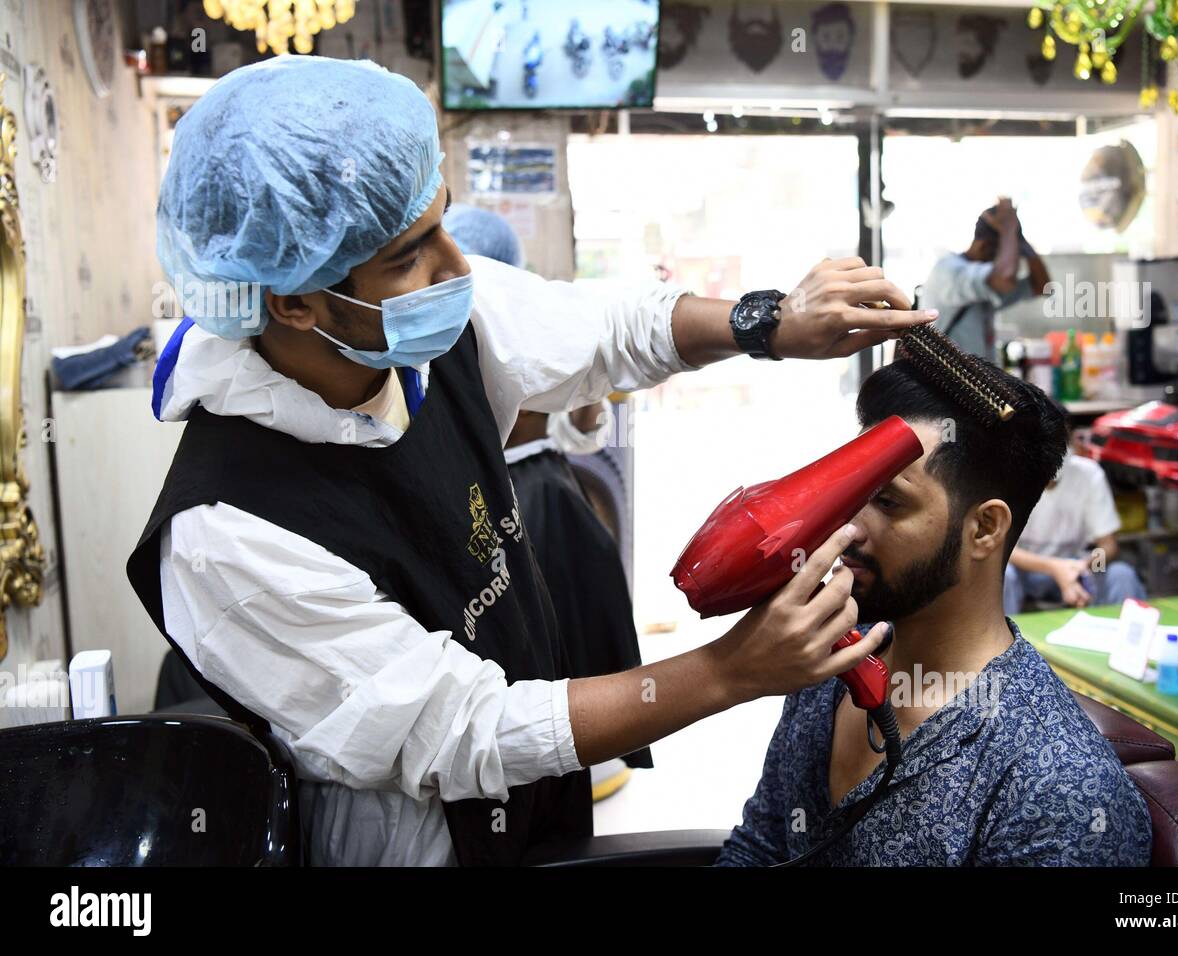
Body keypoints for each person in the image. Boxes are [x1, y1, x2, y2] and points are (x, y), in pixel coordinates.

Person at [126, 56, 934, 867]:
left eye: (444, 221)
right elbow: (464, 731)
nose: (457, 265)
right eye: (411, 253)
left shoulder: (424, 330)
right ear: (294, 302)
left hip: (544, 795)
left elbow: (605, 328)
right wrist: (729, 671)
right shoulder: (225, 533)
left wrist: (769, 324)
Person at [716, 356, 1152, 866]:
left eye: (888, 502)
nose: (846, 527)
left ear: (985, 529)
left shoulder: (1060, 792)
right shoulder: (826, 663)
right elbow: (761, 847)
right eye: (851, 490)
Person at [443, 204, 647, 797]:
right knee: (530, 637)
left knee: (558, 634)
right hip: (515, 501)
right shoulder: (447, 351)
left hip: (540, 499)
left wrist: (587, 385)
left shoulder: (521, 335)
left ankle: (585, 760)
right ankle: (551, 768)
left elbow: (581, 432)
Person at [1004, 447, 1147, 614]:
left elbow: (1107, 545)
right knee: (1003, 576)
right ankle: (1003, 639)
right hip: (1025, 570)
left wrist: (1087, 564)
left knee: (1121, 574)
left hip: (1078, 567)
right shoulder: (1009, 475)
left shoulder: (1089, 474)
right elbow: (1006, 550)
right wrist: (1055, 568)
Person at [920, 197, 1050, 362]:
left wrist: (1020, 238)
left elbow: (1043, 286)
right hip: (946, 382)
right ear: (984, 246)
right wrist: (1009, 229)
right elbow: (1005, 278)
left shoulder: (986, 287)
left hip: (971, 382)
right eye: (1005, 256)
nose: (1011, 265)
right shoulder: (950, 272)